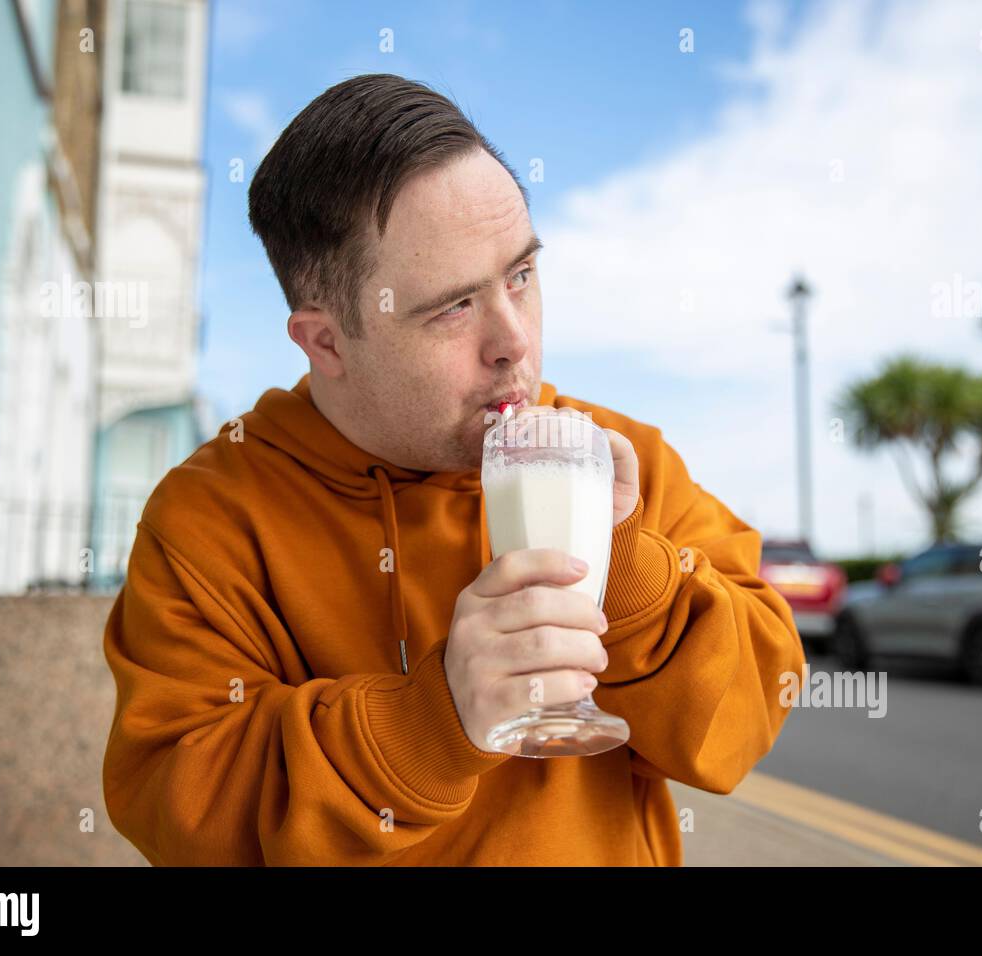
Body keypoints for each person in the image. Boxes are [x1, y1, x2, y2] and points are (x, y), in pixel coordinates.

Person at [101, 73, 805, 866]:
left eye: (522, 276)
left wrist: (632, 576)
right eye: (454, 307)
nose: (515, 343)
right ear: (326, 342)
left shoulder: (612, 462)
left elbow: (750, 721)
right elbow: (183, 812)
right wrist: (429, 726)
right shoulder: (208, 519)